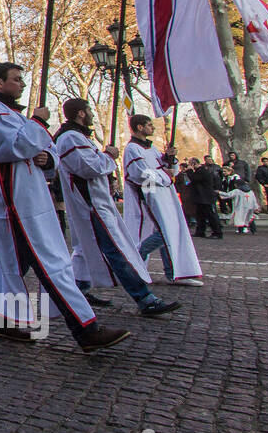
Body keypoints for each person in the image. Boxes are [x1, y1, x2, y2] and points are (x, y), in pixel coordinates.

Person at [0, 62, 130, 351]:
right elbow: (12, 148)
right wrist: (39, 123)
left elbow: (42, 152)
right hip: (16, 207)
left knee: (11, 266)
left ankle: (0, 321)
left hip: (32, 202)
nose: (21, 84)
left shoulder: (12, 115)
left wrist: (48, 158)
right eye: (16, 79)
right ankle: (86, 329)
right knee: (53, 266)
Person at [53, 99, 179, 317]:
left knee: (86, 250)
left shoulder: (78, 136)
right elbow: (91, 167)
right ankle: (144, 298)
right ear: (81, 113)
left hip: (100, 202)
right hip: (93, 205)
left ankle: (79, 290)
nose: (92, 113)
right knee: (116, 250)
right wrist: (109, 156)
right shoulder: (71, 138)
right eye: (90, 110)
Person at [123, 115, 204, 285]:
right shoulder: (132, 149)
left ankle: (172, 272)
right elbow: (140, 174)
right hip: (151, 193)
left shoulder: (152, 149)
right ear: (139, 127)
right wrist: (164, 177)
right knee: (164, 231)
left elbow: (169, 170)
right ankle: (135, 260)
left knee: (171, 230)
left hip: (165, 194)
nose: (152, 128)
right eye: (149, 125)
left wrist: (170, 159)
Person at [189, 159, 224, 239]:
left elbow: (194, 178)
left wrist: (189, 171)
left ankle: (217, 232)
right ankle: (200, 231)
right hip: (201, 197)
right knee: (200, 216)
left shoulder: (202, 171)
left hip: (206, 197)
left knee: (211, 215)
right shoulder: (200, 171)